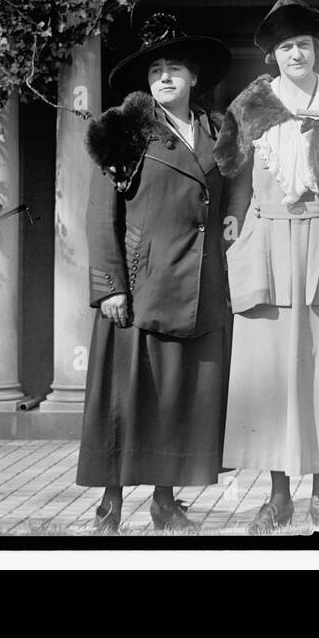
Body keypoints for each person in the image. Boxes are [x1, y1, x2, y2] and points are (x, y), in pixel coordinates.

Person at [214, 0, 319, 534]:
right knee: (272, 371)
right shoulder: (250, 107)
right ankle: (276, 496)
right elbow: (232, 180)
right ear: (273, 55)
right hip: (269, 243)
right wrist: (235, 235)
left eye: (304, 45)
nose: (295, 54)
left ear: (318, 50)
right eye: (285, 46)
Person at [79, 27, 235, 533]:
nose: (165, 77)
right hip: (141, 288)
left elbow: (230, 198)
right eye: (155, 71)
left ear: (194, 77)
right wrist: (110, 286)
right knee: (126, 398)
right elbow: (101, 214)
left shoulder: (217, 132)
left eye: (174, 69)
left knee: (177, 398)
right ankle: (111, 504)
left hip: (199, 287)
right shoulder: (125, 129)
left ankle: (165, 502)